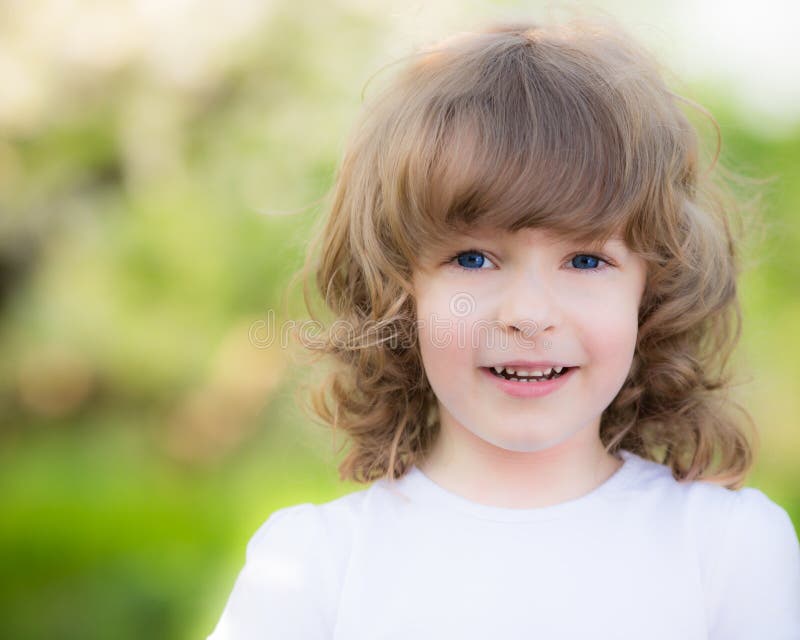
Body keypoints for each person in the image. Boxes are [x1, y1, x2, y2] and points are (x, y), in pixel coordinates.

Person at [207, 13, 800, 639]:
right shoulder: (314, 566)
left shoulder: (726, 551)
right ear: (399, 291)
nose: (528, 315)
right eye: (472, 258)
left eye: (586, 260)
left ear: (650, 290)